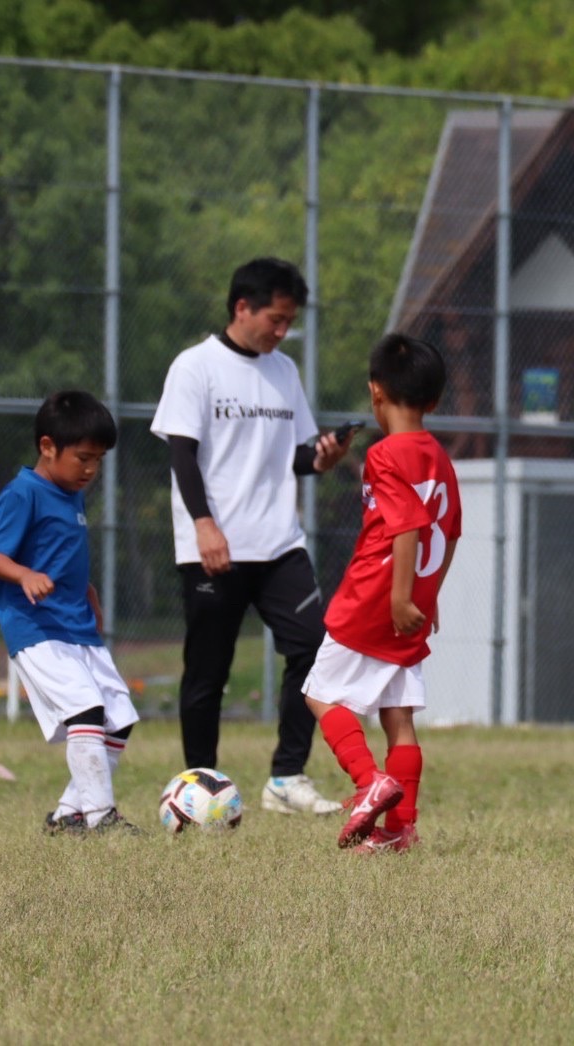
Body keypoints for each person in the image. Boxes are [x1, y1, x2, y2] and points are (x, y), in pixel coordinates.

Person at [151, 258, 354, 816]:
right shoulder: (196, 367)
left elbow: (295, 459)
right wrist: (204, 525)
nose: (281, 331)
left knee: (314, 649)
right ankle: (199, 786)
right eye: (276, 318)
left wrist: (325, 457)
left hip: (280, 544)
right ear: (243, 307)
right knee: (207, 675)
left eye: (289, 321)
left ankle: (287, 778)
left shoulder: (284, 371)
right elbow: (182, 455)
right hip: (214, 547)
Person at [305, 333, 461, 854]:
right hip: (414, 600)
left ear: (376, 392)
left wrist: (398, 597)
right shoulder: (438, 456)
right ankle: (400, 829)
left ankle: (368, 781)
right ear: (434, 401)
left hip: (378, 594)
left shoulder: (384, 454)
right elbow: (450, 528)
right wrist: (427, 596)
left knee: (319, 694)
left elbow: (407, 526)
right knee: (399, 715)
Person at [0, 391, 141, 835]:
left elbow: (63, 553)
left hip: (76, 625)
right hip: (36, 627)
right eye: (83, 458)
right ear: (47, 446)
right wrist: (24, 574)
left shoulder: (73, 493)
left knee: (119, 718)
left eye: (99, 460)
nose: (91, 469)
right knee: (86, 711)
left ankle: (69, 814)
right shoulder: (24, 492)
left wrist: (86, 590)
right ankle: (101, 818)